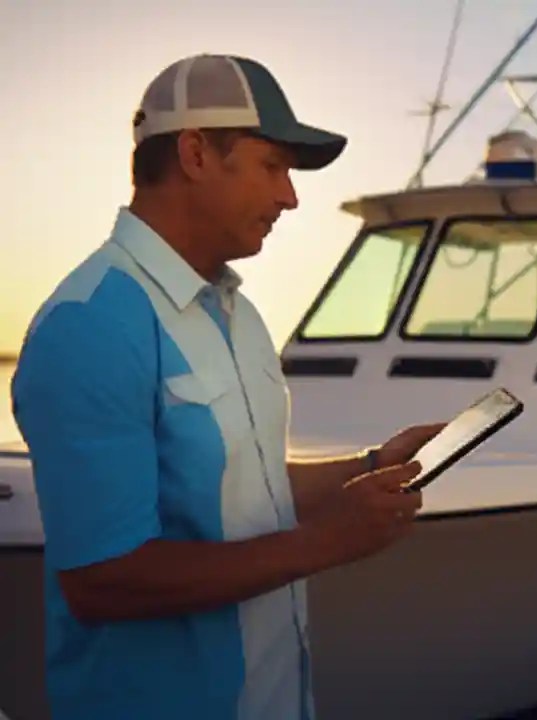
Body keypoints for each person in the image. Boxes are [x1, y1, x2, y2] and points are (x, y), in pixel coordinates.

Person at [10, 54, 447, 720]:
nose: (290, 196)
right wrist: (333, 539)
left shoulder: (235, 313)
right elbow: (104, 581)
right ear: (194, 153)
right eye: (272, 166)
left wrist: (370, 466)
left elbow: (248, 483)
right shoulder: (89, 325)